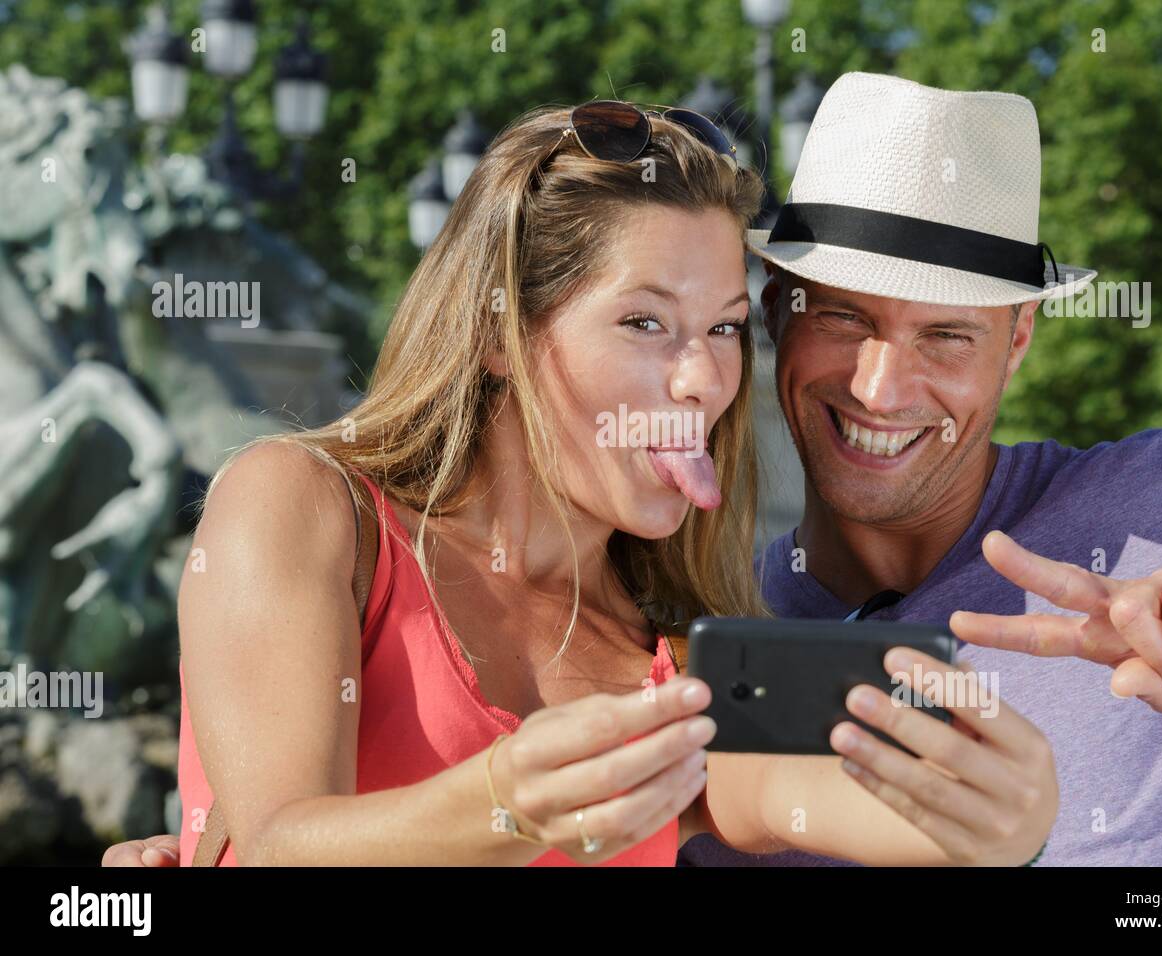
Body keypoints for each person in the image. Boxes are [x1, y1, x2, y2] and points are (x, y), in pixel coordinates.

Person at [107, 99, 1057, 867]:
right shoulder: (306, 507)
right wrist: (504, 804)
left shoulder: (682, 653)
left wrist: (1007, 818)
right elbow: (277, 850)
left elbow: (807, 791)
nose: (704, 378)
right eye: (646, 323)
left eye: (727, 327)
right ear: (496, 336)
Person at [678, 72, 1162, 866]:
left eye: (946, 336)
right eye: (843, 316)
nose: (880, 390)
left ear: (1017, 344)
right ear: (773, 309)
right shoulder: (720, 645)